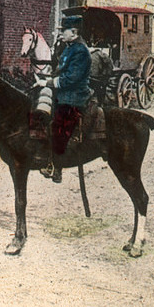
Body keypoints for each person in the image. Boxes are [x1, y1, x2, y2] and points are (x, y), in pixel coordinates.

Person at [42, 14, 91, 183]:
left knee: (59, 129)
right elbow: (60, 69)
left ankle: (57, 166)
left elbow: (72, 78)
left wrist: (50, 82)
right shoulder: (69, 47)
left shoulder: (80, 51)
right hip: (63, 93)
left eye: (64, 31)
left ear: (75, 33)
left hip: (74, 96)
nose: (61, 33)